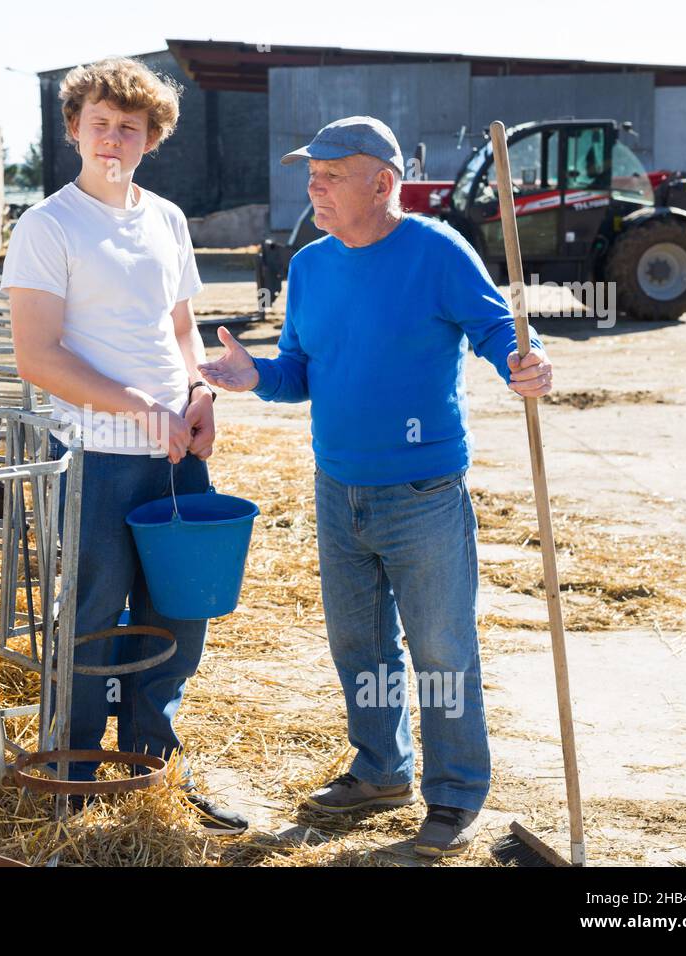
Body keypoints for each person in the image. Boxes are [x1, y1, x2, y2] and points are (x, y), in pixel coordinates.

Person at [200, 116, 554, 856]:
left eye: (331, 175)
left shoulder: (436, 251)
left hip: (422, 490)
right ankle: (380, 769)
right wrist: (254, 375)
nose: (313, 186)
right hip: (338, 487)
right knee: (358, 644)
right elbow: (297, 369)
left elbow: (498, 331)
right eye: (312, 173)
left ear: (383, 184)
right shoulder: (311, 266)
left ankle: (455, 796)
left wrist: (528, 362)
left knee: (441, 649)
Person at [2, 56, 247, 834]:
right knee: (95, 617)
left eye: (129, 128)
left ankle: (152, 769)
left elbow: (179, 331)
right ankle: (74, 781)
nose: (112, 138)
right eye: (99, 123)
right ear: (74, 128)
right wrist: (140, 406)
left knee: (179, 614)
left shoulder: (167, 220)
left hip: (176, 451)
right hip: (100, 452)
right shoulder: (48, 226)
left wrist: (199, 392)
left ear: (151, 139)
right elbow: (37, 356)